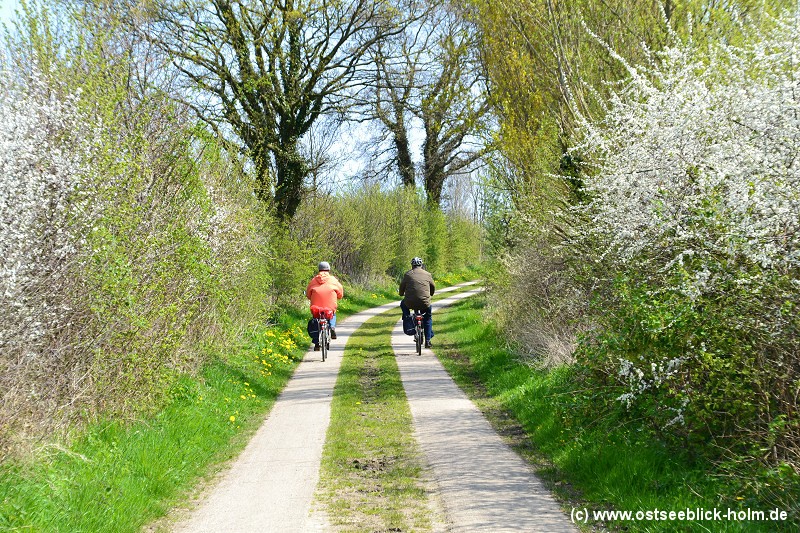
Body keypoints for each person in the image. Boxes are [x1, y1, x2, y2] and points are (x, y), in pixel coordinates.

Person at [306, 261, 344, 350]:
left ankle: (316, 344)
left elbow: (308, 294)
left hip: (316, 308)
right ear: (329, 270)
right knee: (332, 313)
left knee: (316, 320)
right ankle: (332, 327)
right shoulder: (333, 280)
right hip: (329, 306)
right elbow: (340, 293)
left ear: (319, 269)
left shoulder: (313, 280)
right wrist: (338, 296)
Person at [399, 257, 435, 348]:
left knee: (403, 304)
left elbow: (402, 287)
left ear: (412, 265)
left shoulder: (407, 274)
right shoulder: (428, 274)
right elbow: (433, 287)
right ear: (421, 265)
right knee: (428, 317)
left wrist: (401, 293)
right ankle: (428, 340)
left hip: (410, 302)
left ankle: (408, 320)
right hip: (424, 303)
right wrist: (430, 294)